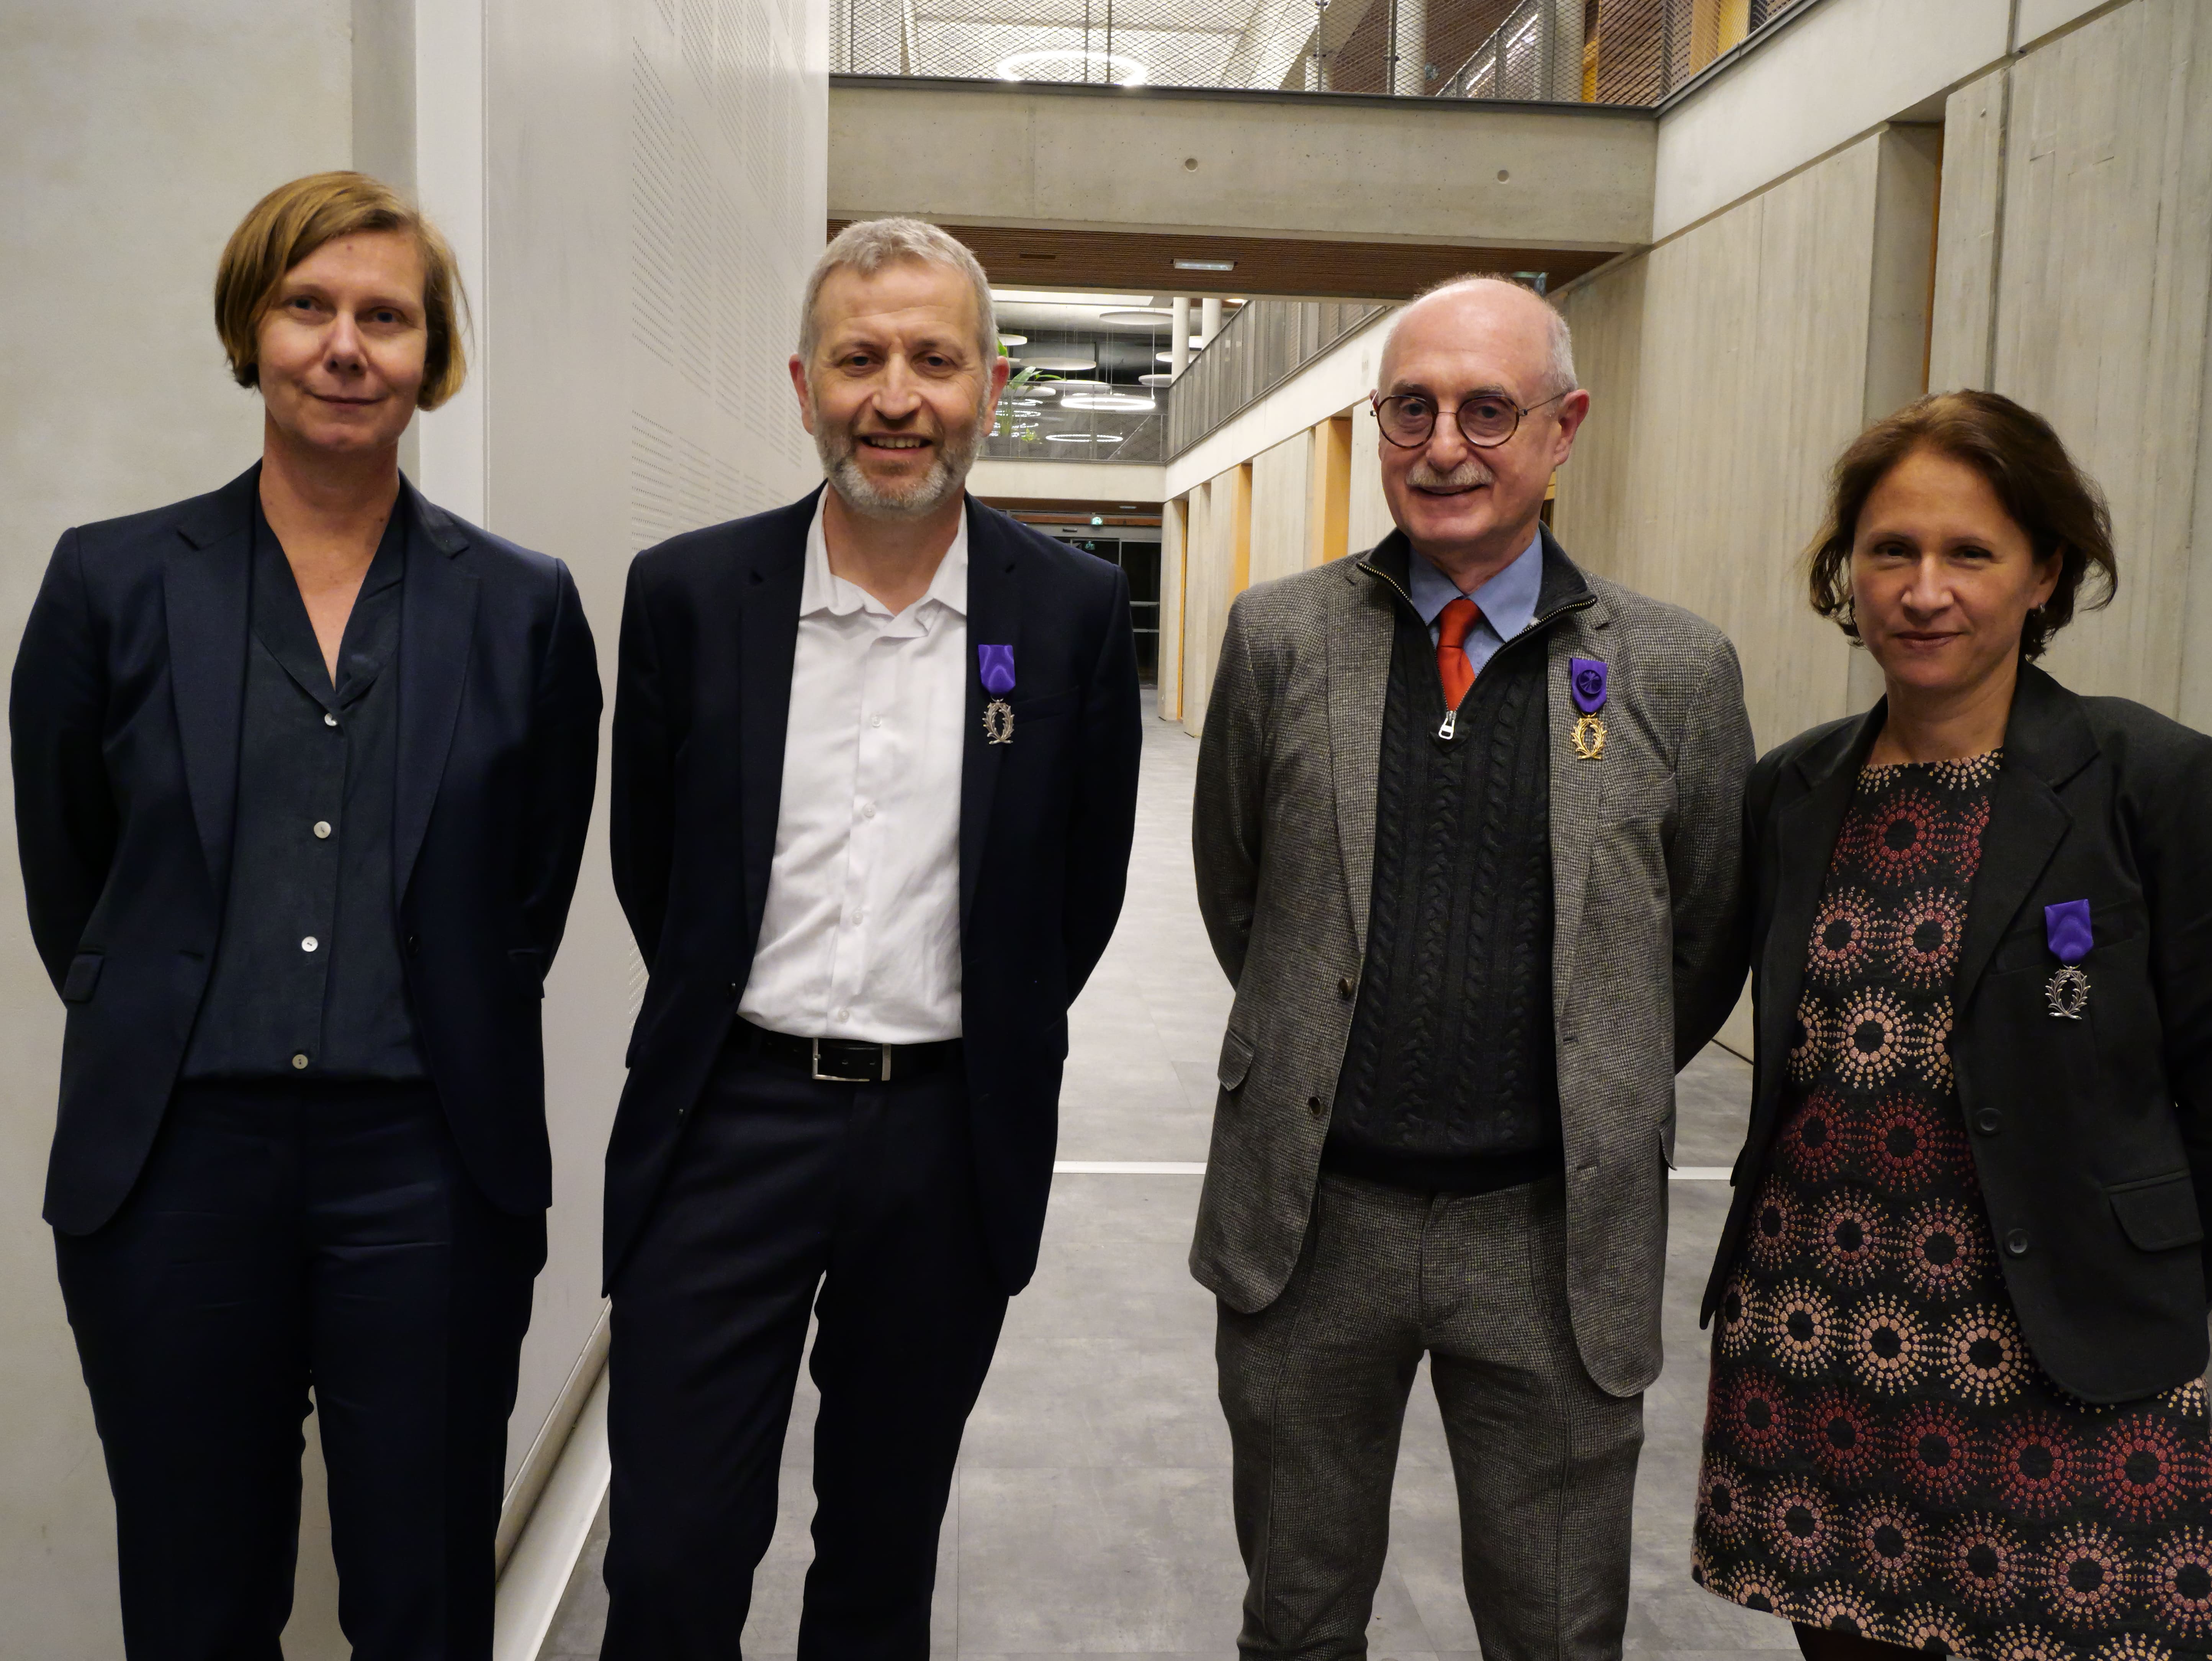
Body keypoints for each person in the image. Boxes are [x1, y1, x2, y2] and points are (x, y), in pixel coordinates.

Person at [10, 171, 601, 1659]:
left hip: (429, 1175)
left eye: (385, 317)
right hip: (173, 1174)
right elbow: (75, 878)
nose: (346, 346)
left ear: (430, 356)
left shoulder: (521, 608)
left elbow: (522, 898)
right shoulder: (113, 583)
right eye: (307, 305)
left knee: (422, 1598)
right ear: (251, 328)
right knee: (198, 1603)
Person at [597, 216, 1143, 1654]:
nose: (894, 396)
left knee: (882, 1554)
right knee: (668, 1564)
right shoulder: (689, 596)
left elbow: (1071, 903)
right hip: (729, 1122)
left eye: (932, 360)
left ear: (989, 385)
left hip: (947, 1142)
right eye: (859, 359)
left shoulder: (1074, 612)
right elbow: (654, 877)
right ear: (802, 384)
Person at [1190, 274, 1753, 1660]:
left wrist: (1593, 1067)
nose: (1444, 445)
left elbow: (1705, 935)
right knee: (1298, 1621)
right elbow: (1241, 893)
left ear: (1563, 431)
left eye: (1488, 411)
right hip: (1314, 1230)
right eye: (1413, 408)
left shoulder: (1675, 670)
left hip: (1550, 1243)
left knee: (1556, 1634)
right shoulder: (1278, 640)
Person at [1692, 389, 2212, 1661]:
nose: (1926, 590)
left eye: (1970, 554)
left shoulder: (2149, 779)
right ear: (1848, 576)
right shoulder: (1796, 789)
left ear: (2045, 576)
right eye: (1892, 551)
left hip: (2070, 1349)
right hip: (1824, 1339)